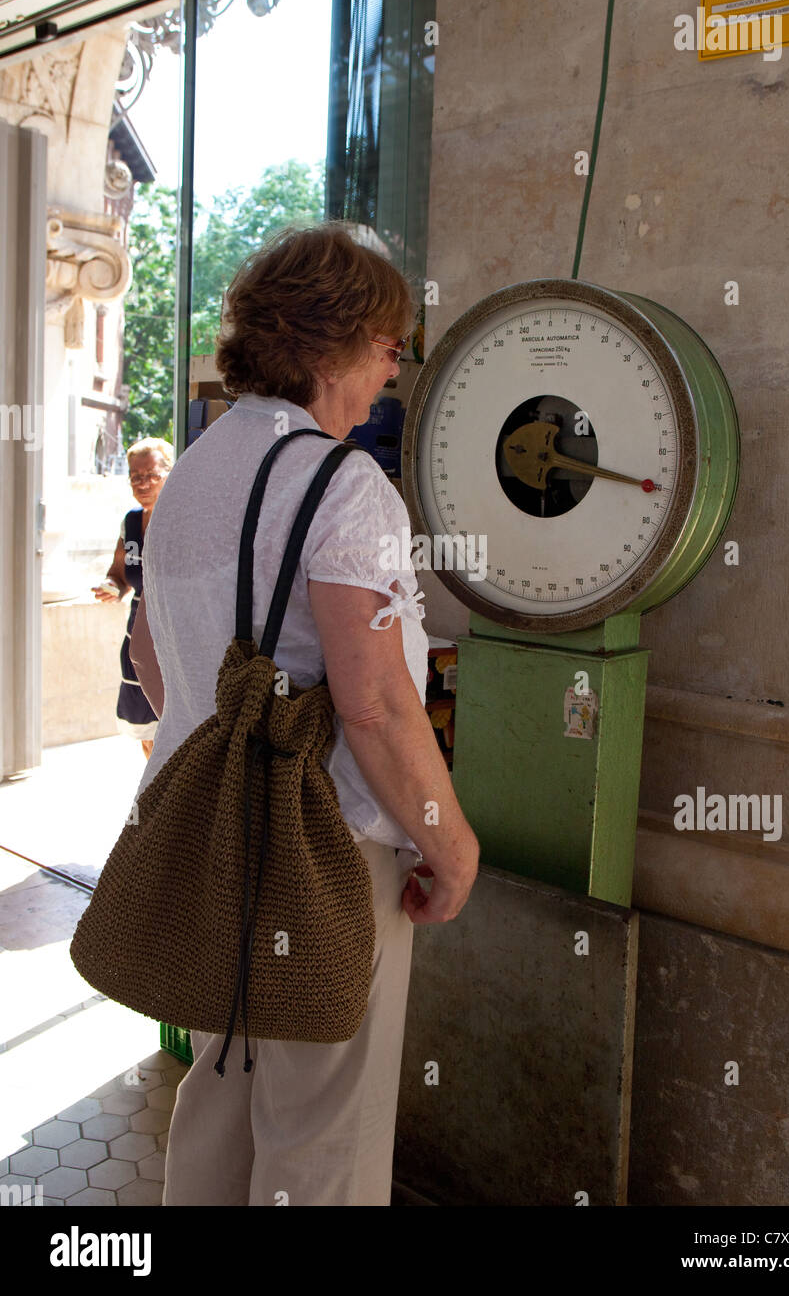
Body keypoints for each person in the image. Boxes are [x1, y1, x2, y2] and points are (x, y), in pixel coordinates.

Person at [134, 222, 479, 1206]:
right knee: (324, 1129)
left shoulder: (193, 475)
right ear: (338, 337)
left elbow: (154, 660)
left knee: (222, 1088)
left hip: (205, 834)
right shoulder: (344, 486)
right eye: (388, 343)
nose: (391, 368)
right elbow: (372, 705)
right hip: (324, 853)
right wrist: (446, 844)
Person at [92, 438, 173, 758]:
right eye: (135, 476)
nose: (143, 483)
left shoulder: (180, 520)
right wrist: (111, 585)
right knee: (146, 726)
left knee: (172, 721)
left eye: (151, 474)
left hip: (171, 633)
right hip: (137, 633)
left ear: (170, 473)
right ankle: (155, 798)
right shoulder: (131, 522)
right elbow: (121, 574)